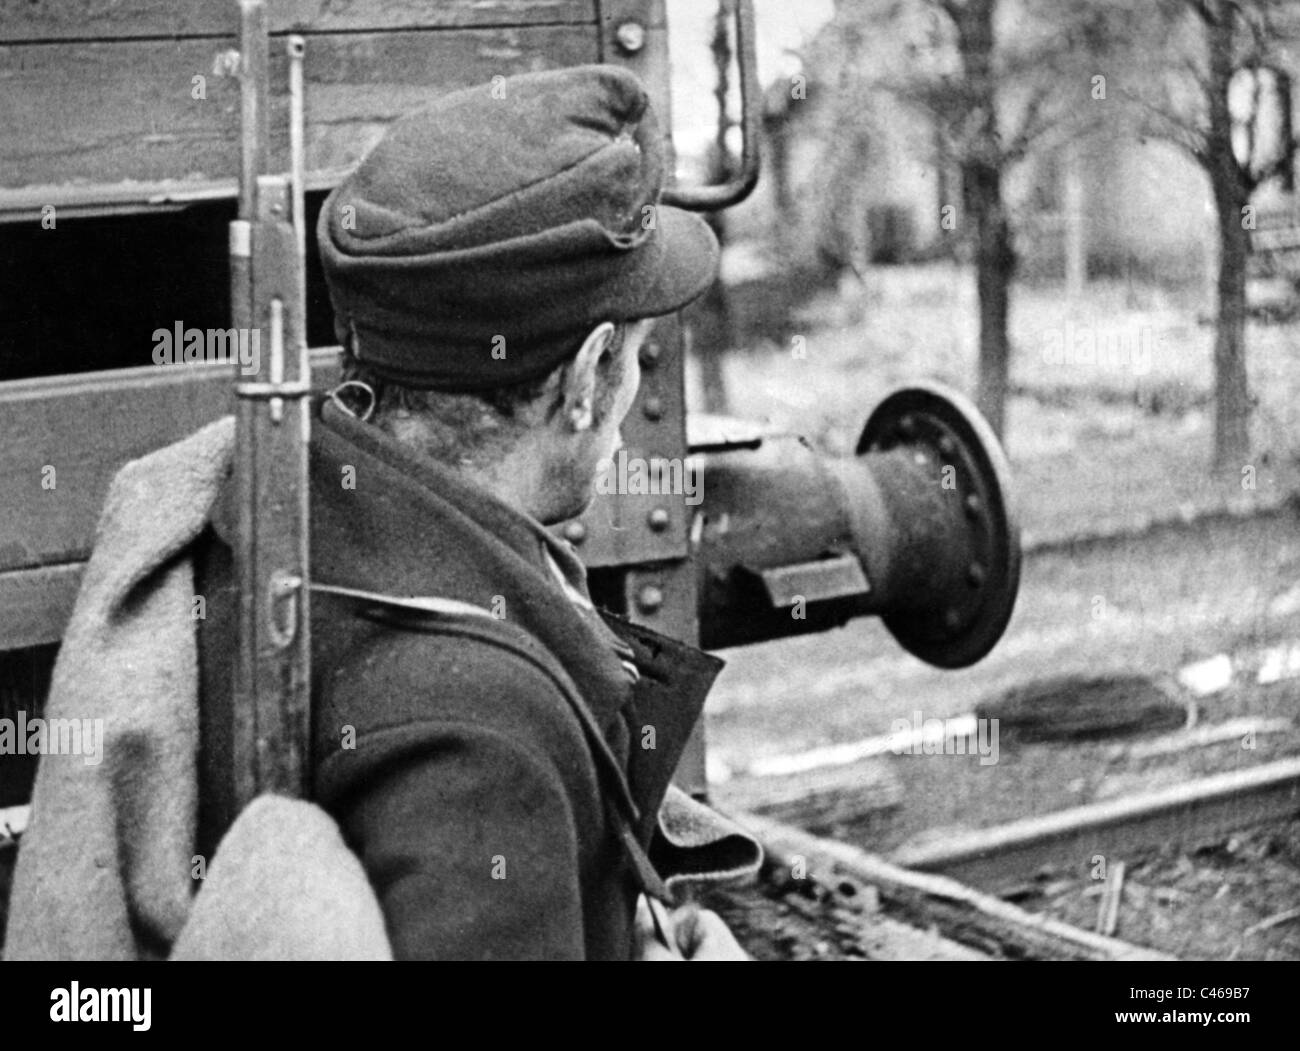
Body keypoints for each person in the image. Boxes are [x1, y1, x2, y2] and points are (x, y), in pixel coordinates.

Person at [187, 64, 759, 960]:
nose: (633, 389)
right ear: (585, 377)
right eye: (638, 356)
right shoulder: (489, 748)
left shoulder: (266, 534)